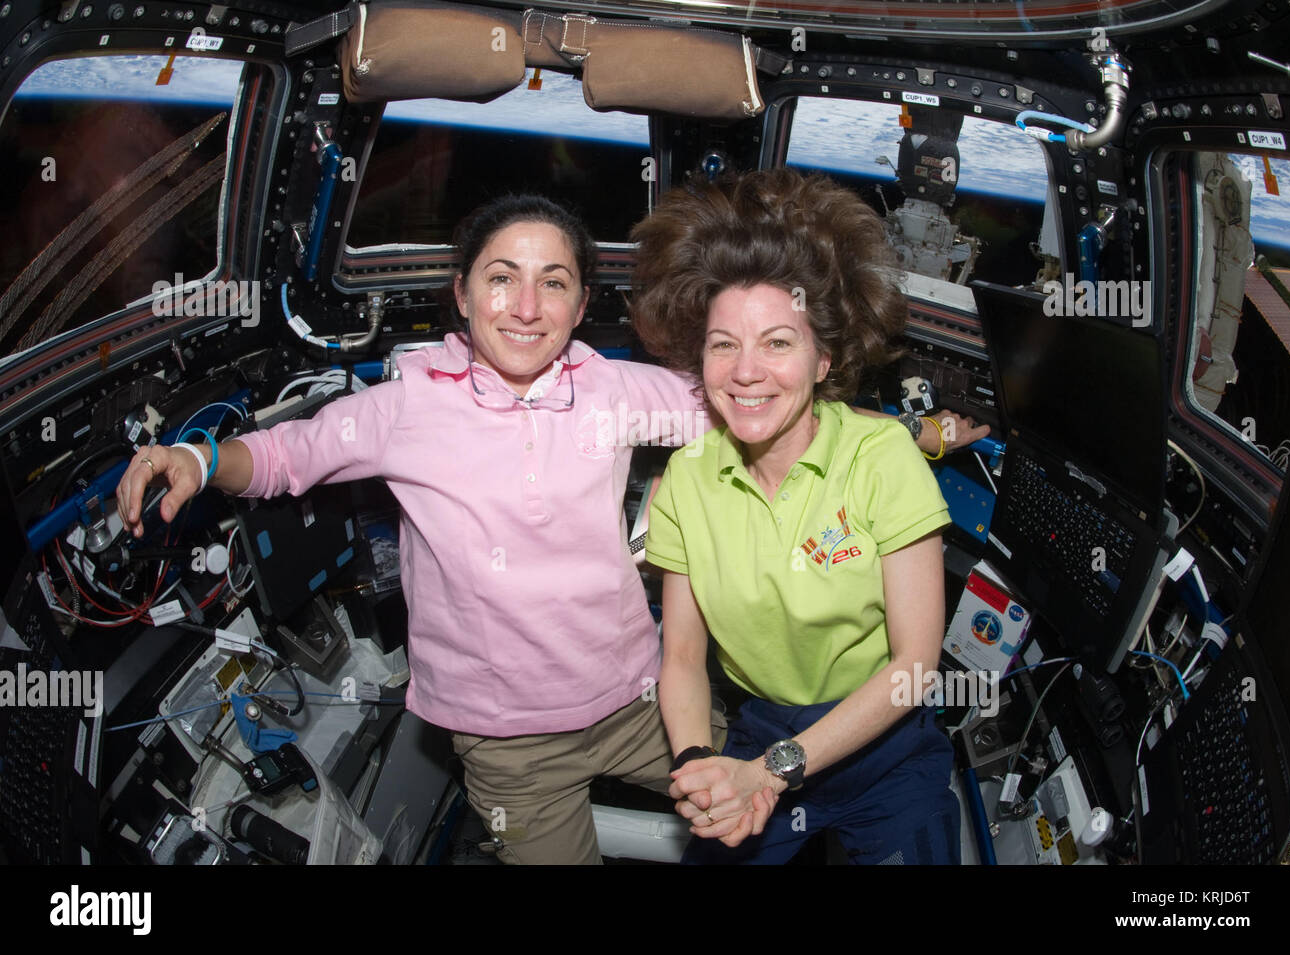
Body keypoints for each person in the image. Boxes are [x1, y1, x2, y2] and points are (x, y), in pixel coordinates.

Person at [116, 195, 721, 864]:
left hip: (641, 701)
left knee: (769, 804)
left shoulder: (612, 389)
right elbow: (286, 455)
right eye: (501, 278)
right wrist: (199, 460)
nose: (526, 306)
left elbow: (730, 403)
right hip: (508, 744)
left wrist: (693, 477)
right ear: (462, 294)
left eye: (553, 282)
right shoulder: (409, 404)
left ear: (579, 309)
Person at [632, 168, 963, 864]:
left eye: (778, 342)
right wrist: (701, 768)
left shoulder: (881, 457)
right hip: (763, 724)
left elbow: (914, 667)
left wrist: (774, 769)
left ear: (823, 360)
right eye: (724, 344)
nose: (746, 371)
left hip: (886, 739)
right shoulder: (688, 483)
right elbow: (685, 656)